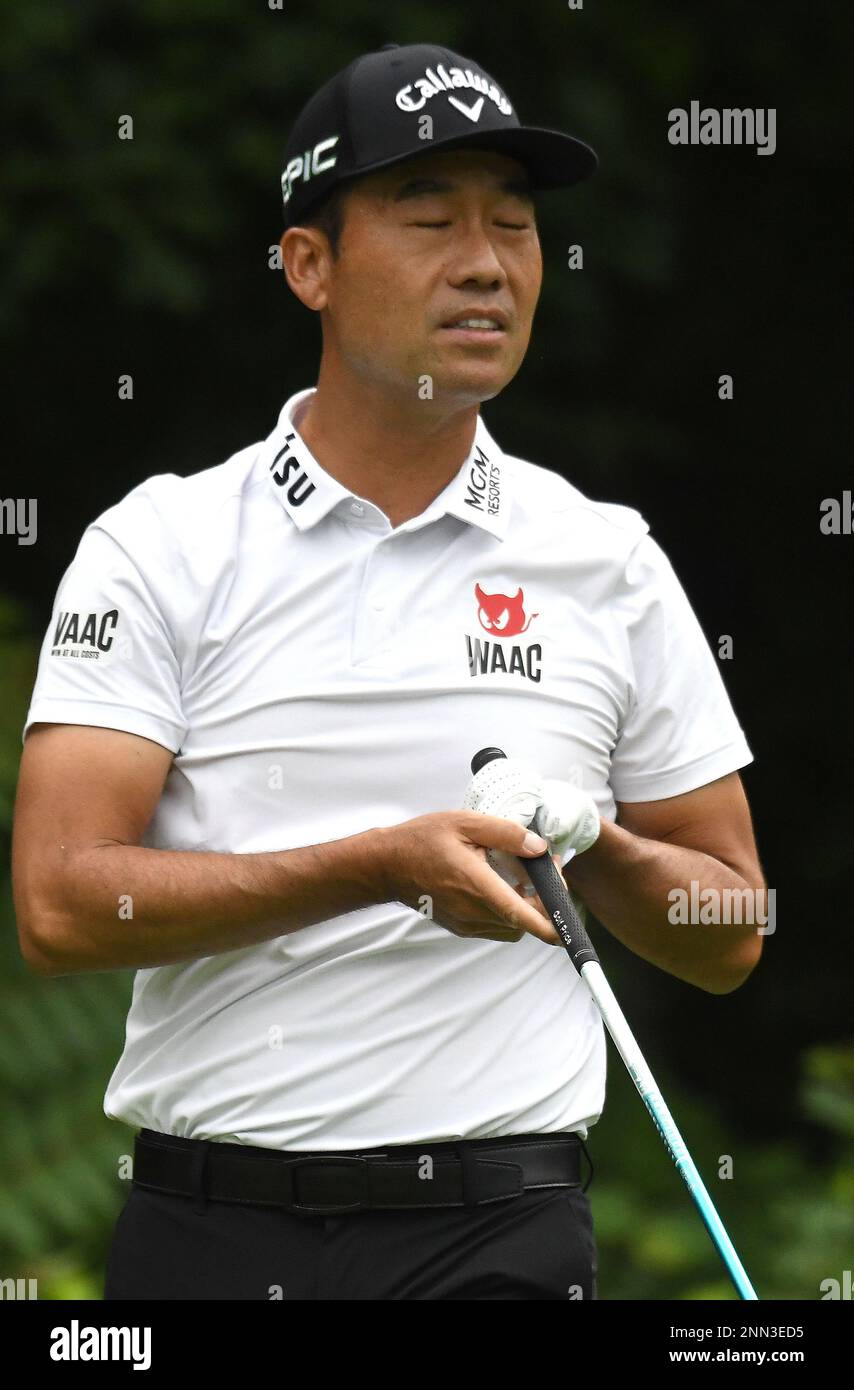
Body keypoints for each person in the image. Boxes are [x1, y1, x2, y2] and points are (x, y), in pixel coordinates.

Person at [12, 41, 766, 1301]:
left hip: (501, 1233)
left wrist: (598, 850)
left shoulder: (605, 557)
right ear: (308, 264)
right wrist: (375, 867)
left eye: (513, 226)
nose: (485, 262)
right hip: (210, 1228)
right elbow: (60, 904)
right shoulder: (161, 544)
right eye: (429, 220)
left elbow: (731, 928)